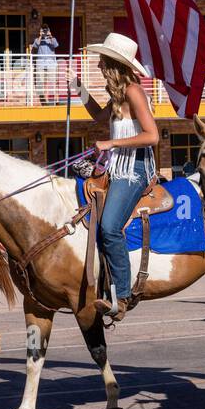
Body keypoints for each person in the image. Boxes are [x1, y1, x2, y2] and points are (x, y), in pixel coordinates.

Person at [71, 32, 158, 323]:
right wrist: (79, 89)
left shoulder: (133, 91)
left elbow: (152, 136)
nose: (97, 67)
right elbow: (98, 117)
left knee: (109, 227)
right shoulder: (117, 95)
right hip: (117, 166)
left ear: (112, 65)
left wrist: (111, 144)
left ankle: (122, 295)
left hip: (135, 169)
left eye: (100, 62)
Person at [30, 25, 59, 105]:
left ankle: (56, 102)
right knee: (40, 83)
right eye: (43, 30)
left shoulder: (52, 39)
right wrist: (40, 36)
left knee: (53, 82)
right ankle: (43, 103)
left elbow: (56, 45)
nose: (45, 32)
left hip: (51, 64)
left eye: (46, 30)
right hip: (41, 65)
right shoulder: (37, 40)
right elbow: (35, 46)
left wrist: (50, 36)